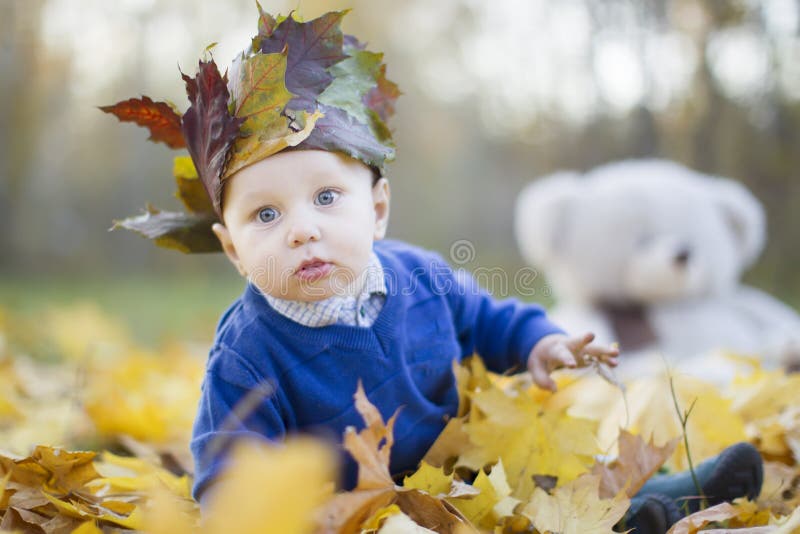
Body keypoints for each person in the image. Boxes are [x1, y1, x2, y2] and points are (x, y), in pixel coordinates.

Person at [102, 7, 762, 532]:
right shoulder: (247, 354)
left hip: (466, 469)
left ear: (378, 209)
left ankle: (652, 500)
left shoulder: (419, 276)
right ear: (234, 248)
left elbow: (487, 318)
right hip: (362, 513)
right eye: (265, 216)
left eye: (327, 198)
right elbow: (226, 465)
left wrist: (539, 342)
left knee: (541, 462)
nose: (303, 227)